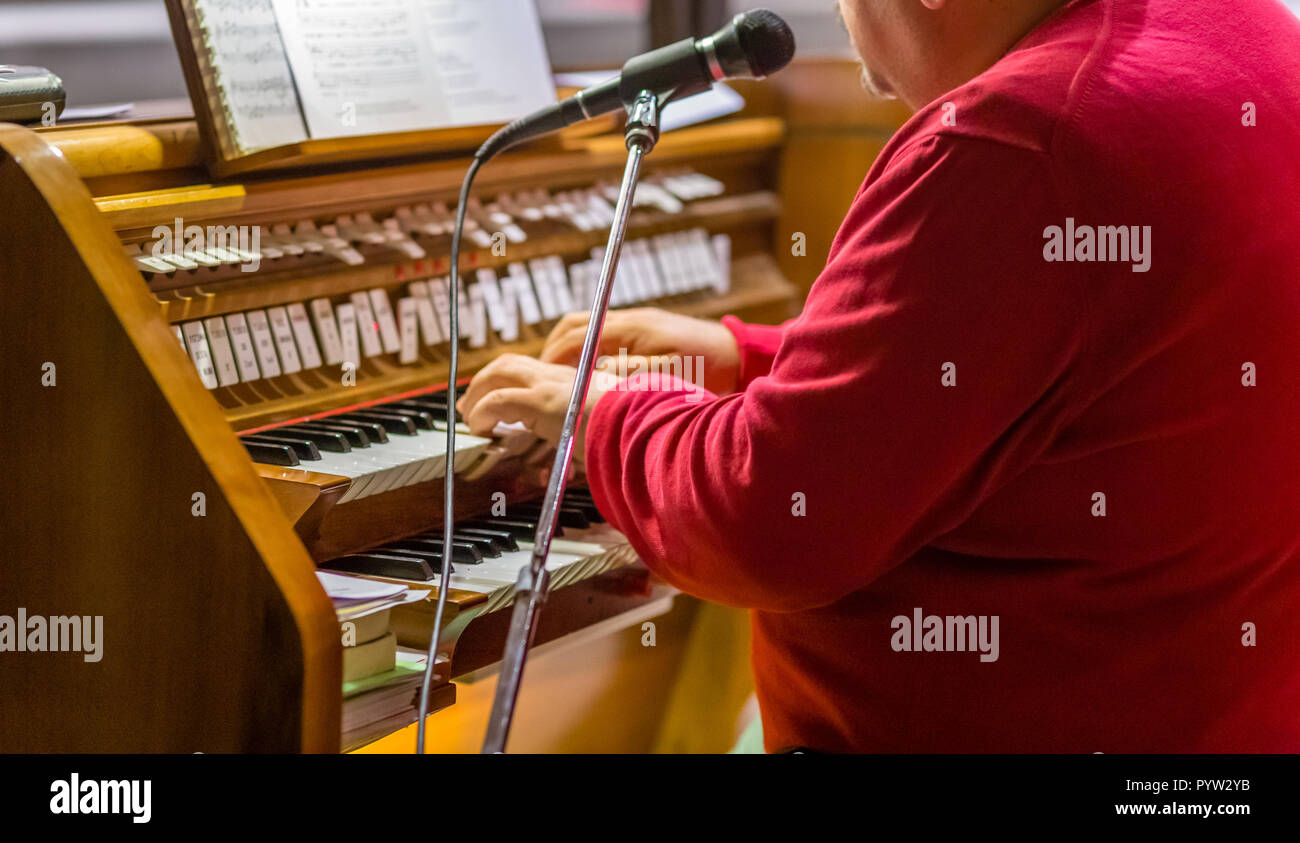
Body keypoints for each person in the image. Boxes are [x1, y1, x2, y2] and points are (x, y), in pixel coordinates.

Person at [458, 0, 1300, 752]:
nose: (857, 45)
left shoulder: (1018, 134)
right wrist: (758, 357)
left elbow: (770, 521)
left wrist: (599, 414)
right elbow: (1033, 351)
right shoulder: (1253, 32)